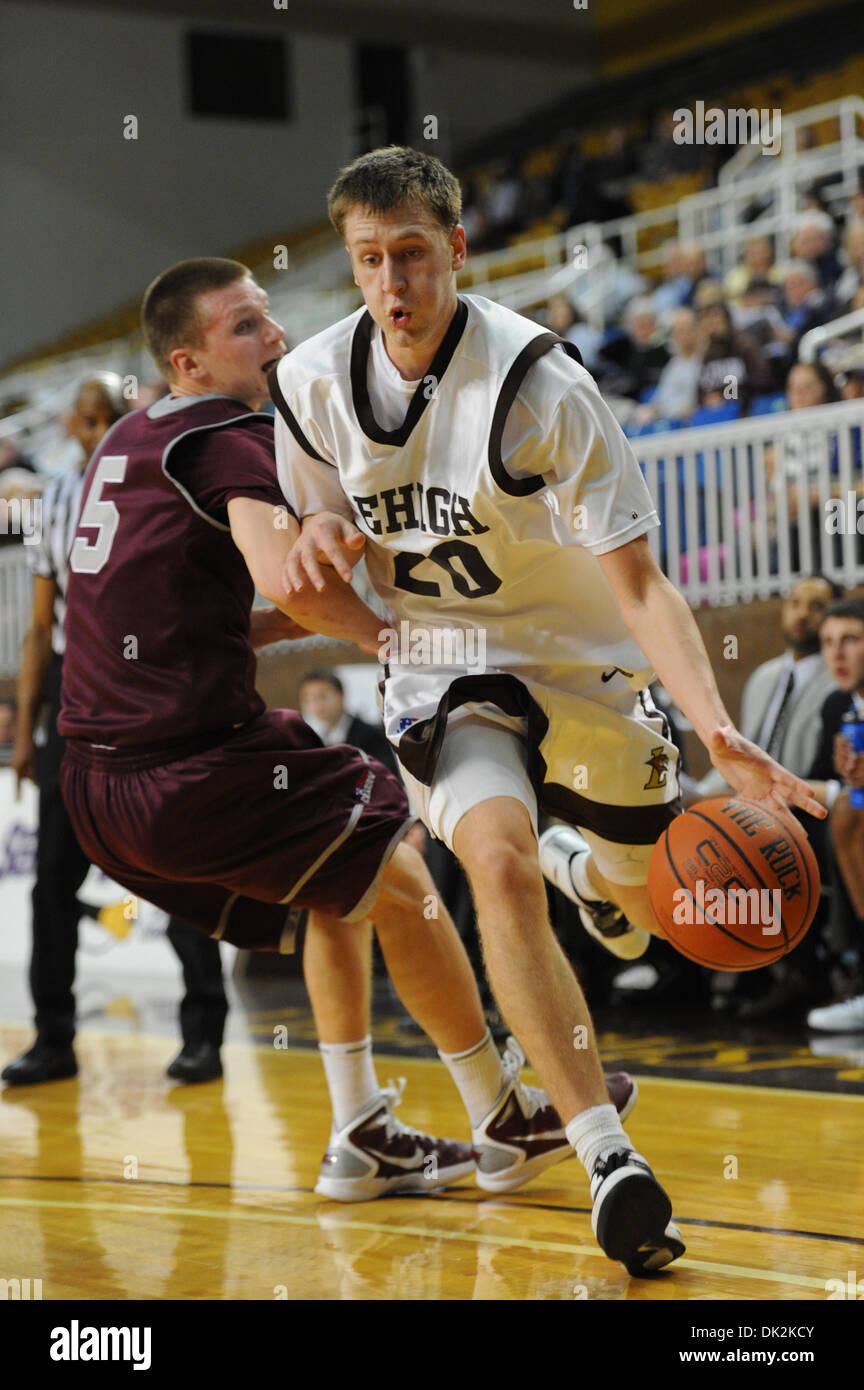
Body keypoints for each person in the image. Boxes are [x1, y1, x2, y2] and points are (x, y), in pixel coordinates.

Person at [275, 146, 824, 1273]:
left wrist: (712, 722)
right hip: (442, 664)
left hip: (583, 664)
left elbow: (640, 583)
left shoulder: (540, 384)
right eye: (370, 260)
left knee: (659, 902)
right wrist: (322, 521)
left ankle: (603, 880)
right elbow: (314, 474)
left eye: (414, 256)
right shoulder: (312, 378)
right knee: (498, 864)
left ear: (458, 249)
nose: (394, 284)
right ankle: (605, 1151)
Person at [56, 258, 635, 1211]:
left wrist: (283, 623)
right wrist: (380, 632)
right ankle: (503, 1116)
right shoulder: (228, 430)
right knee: (403, 877)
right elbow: (288, 575)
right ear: (188, 361)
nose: (276, 338)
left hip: (100, 786)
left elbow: (179, 619)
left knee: (344, 880)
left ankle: (361, 1132)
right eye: (246, 328)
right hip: (187, 768)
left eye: (271, 318)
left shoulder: (129, 437)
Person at [1, 376, 229, 1088]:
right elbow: (41, 627)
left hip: (148, 681)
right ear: (77, 423)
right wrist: (26, 732)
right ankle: (54, 1038)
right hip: (80, 694)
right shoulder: (59, 501)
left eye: (104, 414)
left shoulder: (157, 477)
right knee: (54, 884)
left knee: (178, 864)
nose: (95, 424)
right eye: (88, 415)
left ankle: (202, 1035)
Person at [805, 598, 864, 1032]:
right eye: (827, 643)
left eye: (850, 640)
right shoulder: (835, 706)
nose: (837, 654)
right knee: (843, 812)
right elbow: (824, 780)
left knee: (848, 812)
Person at [299, 669, 396, 773]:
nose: (316, 704)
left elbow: (385, 776)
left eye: (322, 696)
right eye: (308, 699)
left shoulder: (368, 735)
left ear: (340, 696)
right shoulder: (316, 740)